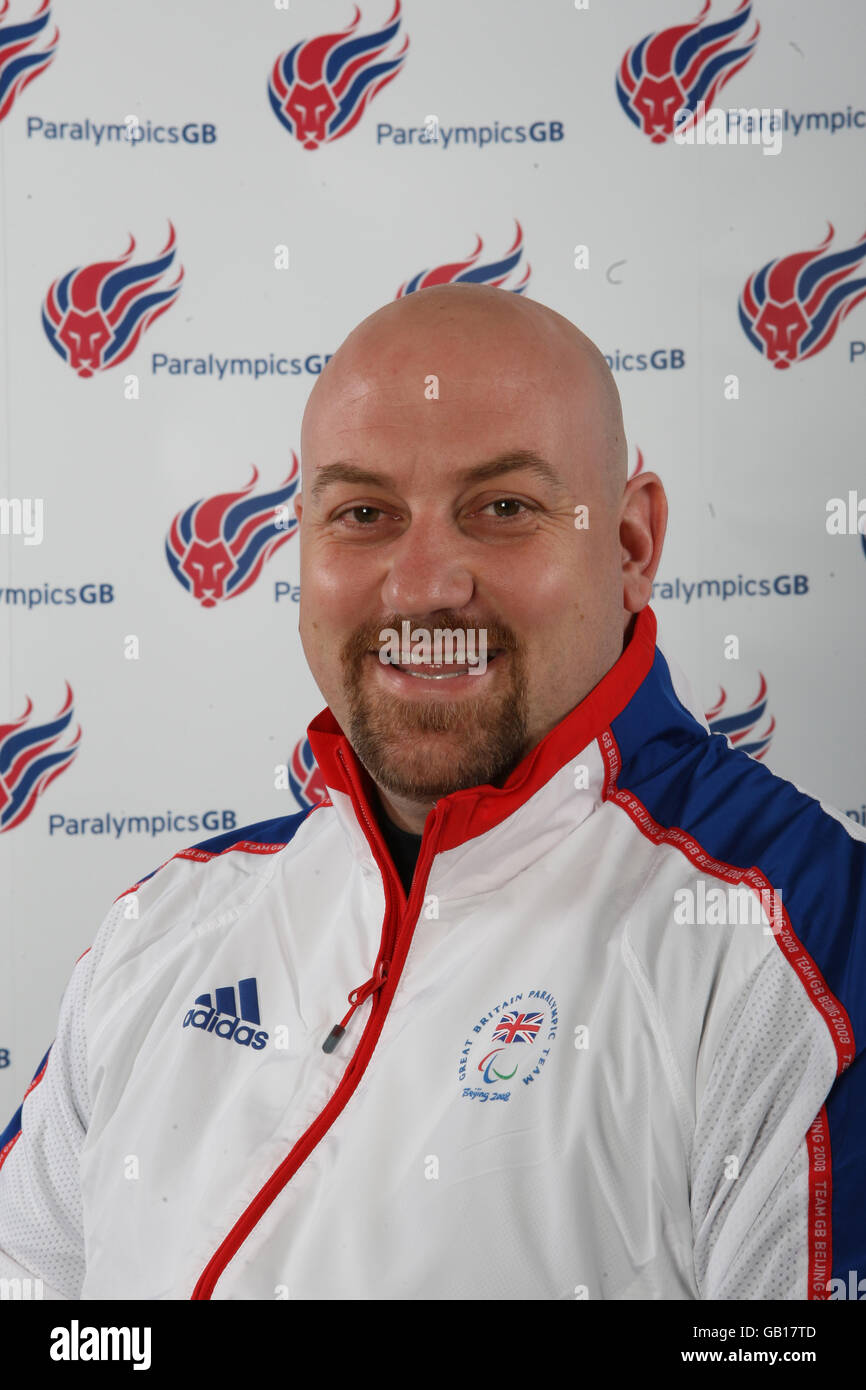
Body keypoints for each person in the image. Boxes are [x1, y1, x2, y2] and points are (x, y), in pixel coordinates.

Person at [0, 284, 863, 1301]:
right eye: (363, 513)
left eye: (501, 508)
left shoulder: (793, 943)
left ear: (628, 546)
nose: (420, 584)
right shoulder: (168, 924)